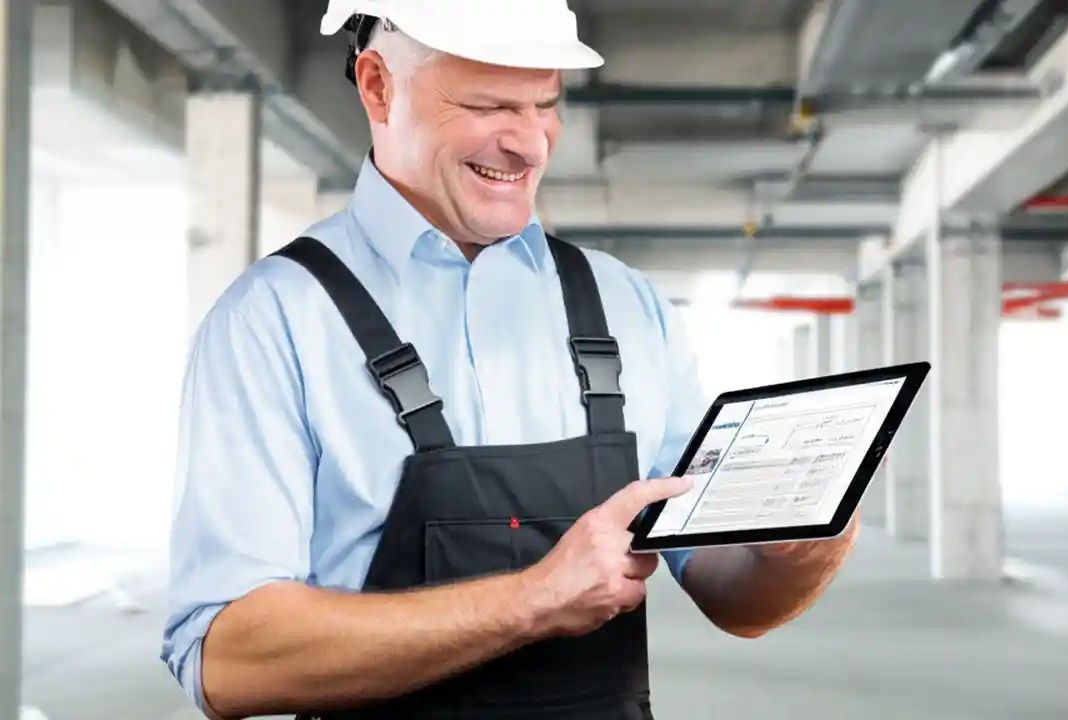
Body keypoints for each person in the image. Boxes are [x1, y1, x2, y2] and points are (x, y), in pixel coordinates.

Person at [161, 1, 860, 718]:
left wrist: (805, 549)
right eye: (488, 105)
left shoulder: (627, 305)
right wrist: (533, 600)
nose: (530, 145)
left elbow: (733, 594)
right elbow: (225, 658)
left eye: (545, 104)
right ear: (377, 86)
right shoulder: (274, 320)